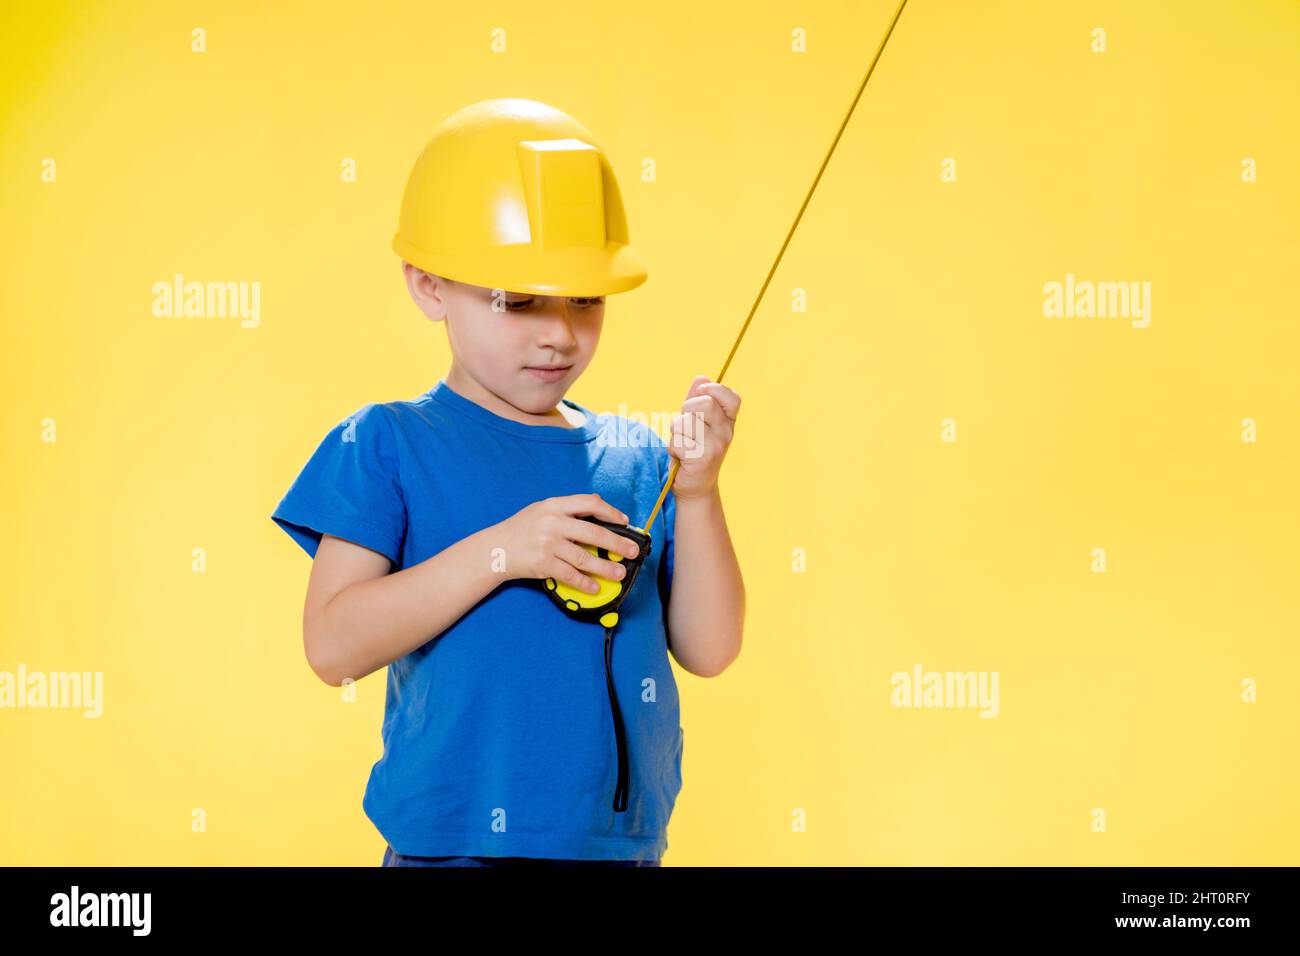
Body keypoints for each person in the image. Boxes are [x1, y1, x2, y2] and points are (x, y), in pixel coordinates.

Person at [271, 98, 745, 866]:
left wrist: (697, 493)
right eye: (519, 300)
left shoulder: (637, 457)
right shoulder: (387, 443)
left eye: (586, 300)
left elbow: (711, 648)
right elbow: (333, 647)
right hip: (450, 849)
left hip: (616, 850)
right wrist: (505, 550)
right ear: (429, 288)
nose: (560, 333)